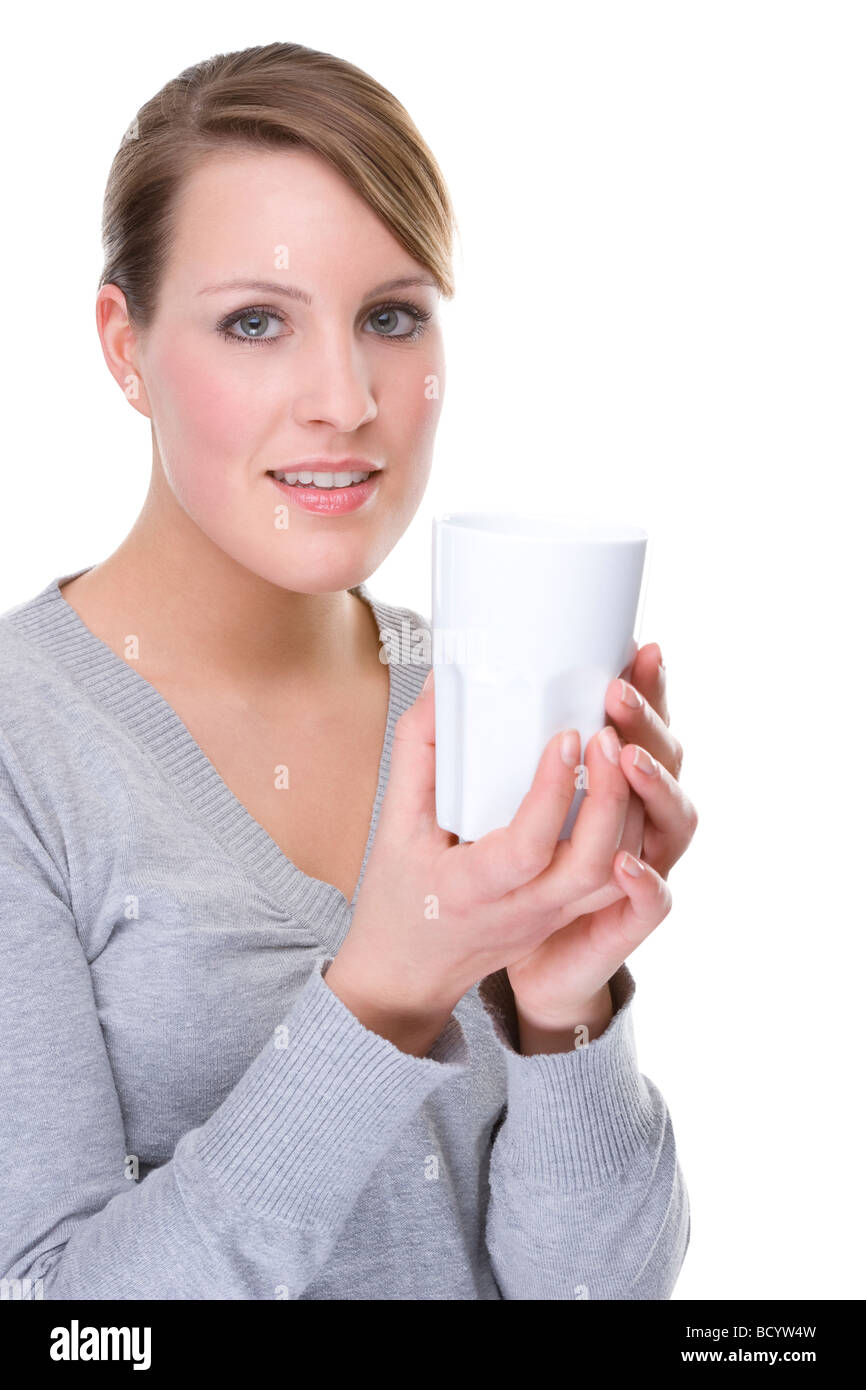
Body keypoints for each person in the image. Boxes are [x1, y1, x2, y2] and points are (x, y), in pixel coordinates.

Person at [0, 41, 698, 1300]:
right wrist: (380, 995)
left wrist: (563, 1008)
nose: (345, 399)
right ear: (125, 345)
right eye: (255, 322)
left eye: (389, 316)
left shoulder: (482, 699)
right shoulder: (24, 749)